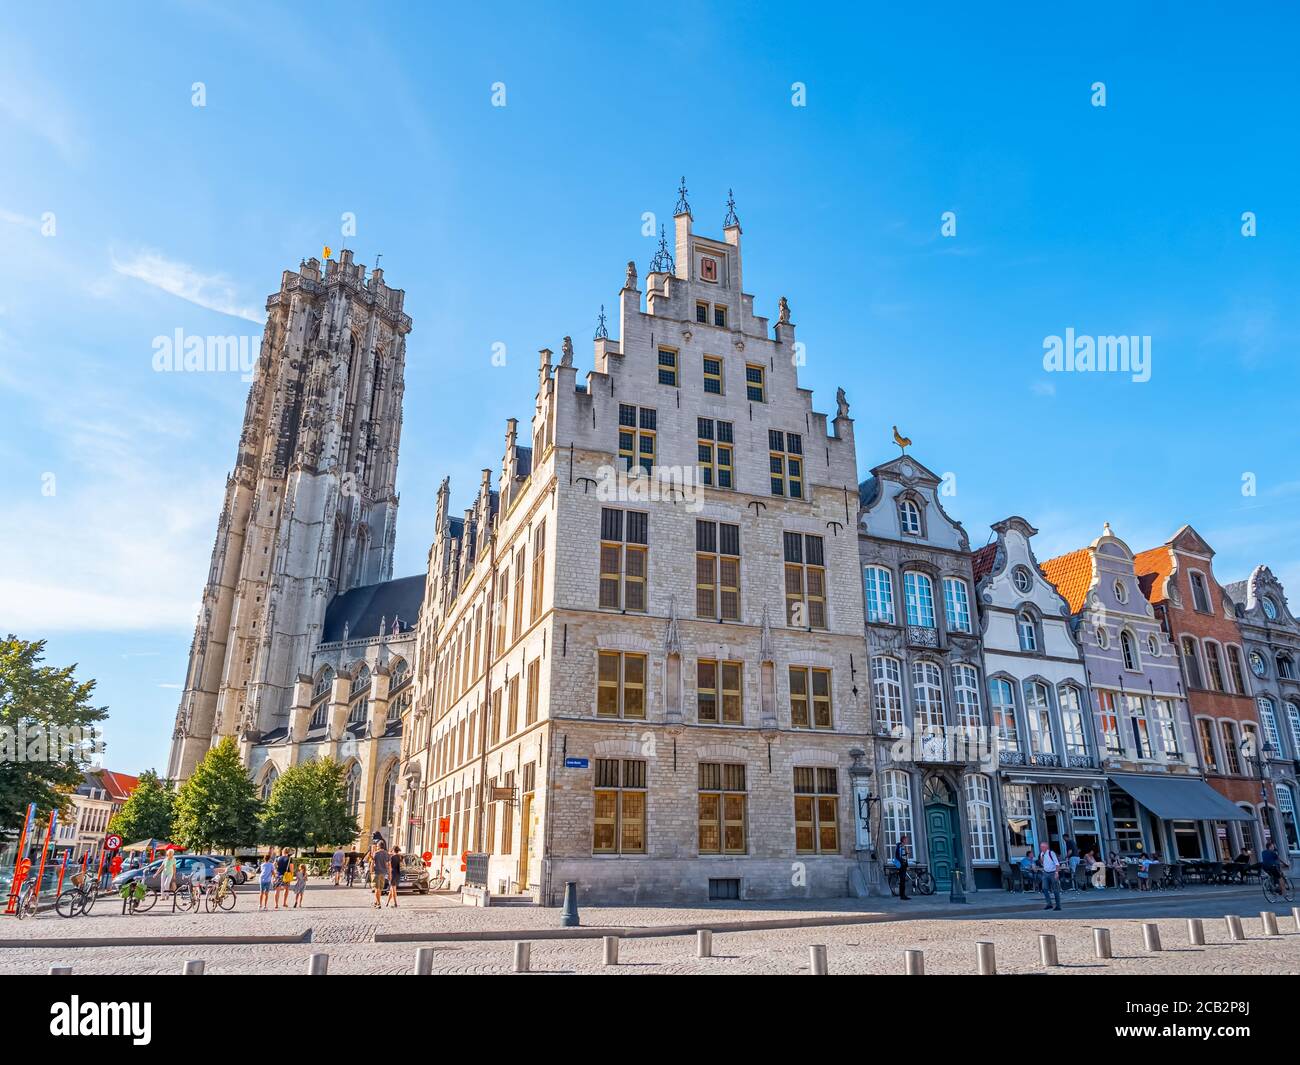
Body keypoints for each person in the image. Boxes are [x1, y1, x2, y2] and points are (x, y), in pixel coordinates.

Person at [1037, 841, 1062, 911]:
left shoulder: (1051, 853)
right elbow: (1042, 863)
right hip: (1045, 872)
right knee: (1044, 888)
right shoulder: (1041, 854)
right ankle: (1049, 903)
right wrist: (1041, 859)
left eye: (1043, 847)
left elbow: (1057, 864)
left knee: (1055, 889)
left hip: (1053, 872)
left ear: (1046, 847)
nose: (1041, 848)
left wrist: (1057, 872)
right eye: (1041, 847)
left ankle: (1058, 906)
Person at [370, 840, 390, 909]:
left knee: (376, 889)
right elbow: (388, 865)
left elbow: (372, 863)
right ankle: (376, 902)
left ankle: (378, 903)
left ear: (378, 846)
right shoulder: (387, 854)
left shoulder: (376, 853)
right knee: (380, 889)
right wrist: (389, 874)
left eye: (377, 846)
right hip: (383, 873)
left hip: (376, 872)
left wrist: (371, 871)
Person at [894, 834, 911, 900]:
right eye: (906, 839)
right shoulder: (901, 846)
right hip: (901, 865)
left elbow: (904, 856)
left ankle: (903, 895)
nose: (907, 841)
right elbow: (900, 856)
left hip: (902, 864)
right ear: (903, 840)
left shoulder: (902, 846)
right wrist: (903, 864)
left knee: (902, 880)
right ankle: (902, 895)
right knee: (902, 880)